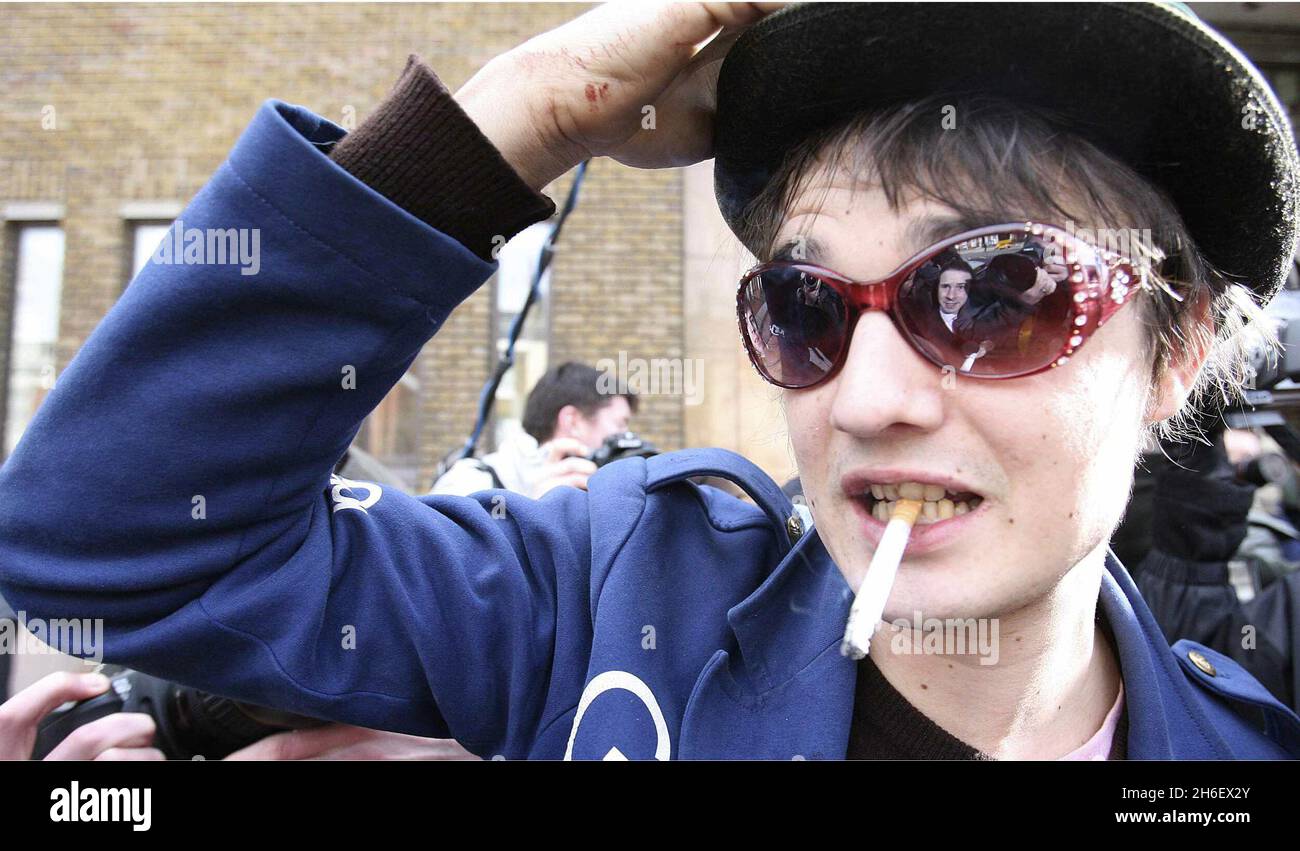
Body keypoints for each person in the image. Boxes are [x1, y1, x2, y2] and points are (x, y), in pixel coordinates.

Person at [0, 2, 1297, 760]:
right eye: (805, 307)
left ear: (1175, 350)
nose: (865, 398)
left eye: (997, 293)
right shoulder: (611, 588)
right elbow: (108, 550)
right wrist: (521, 117)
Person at [431, 361, 635, 497]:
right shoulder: (471, 483)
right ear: (572, 421)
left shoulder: (593, 490)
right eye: (620, 424)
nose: (627, 437)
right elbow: (430, 559)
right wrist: (533, 514)